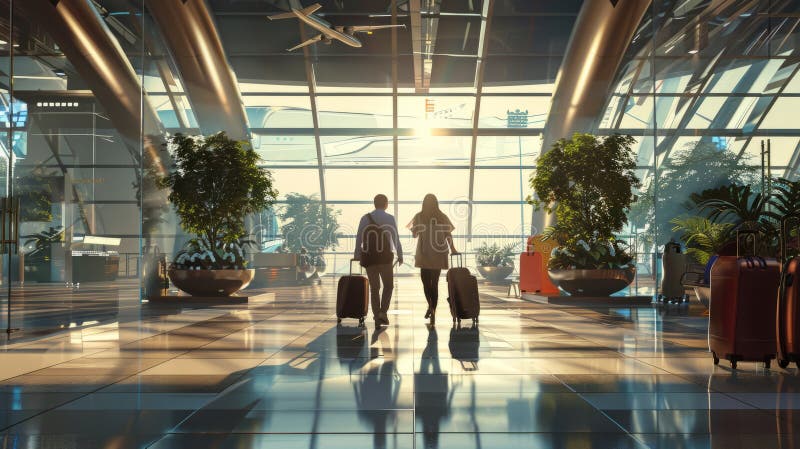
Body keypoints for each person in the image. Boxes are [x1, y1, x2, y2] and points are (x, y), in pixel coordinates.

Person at [354, 194, 403, 327]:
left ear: (374, 204)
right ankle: (383, 313)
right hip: (385, 258)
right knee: (388, 286)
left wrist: (357, 254)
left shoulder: (365, 218)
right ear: (386, 204)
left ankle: (376, 317)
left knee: (374, 289)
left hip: (369, 258)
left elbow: (359, 237)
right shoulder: (390, 218)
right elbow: (395, 238)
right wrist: (400, 254)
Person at [409, 194, 458, 324]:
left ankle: (431, 307)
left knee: (425, 282)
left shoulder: (419, 216)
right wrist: (453, 249)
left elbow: (414, 235)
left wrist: (416, 229)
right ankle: (433, 309)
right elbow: (448, 235)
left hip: (424, 252)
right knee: (434, 283)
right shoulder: (442, 217)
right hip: (439, 252)